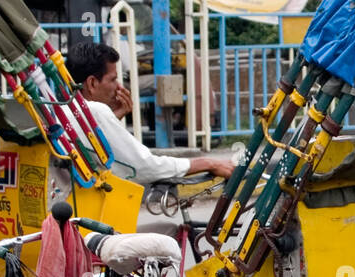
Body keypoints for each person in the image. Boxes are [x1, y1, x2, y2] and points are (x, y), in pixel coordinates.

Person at [64, 41, 234, 185]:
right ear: (92, 83)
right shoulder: (95, 111)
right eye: (113, 79)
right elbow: (144, 166)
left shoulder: (64, 109)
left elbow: (89, 137)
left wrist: (115, 117)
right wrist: (207, 162)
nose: (119, 87)